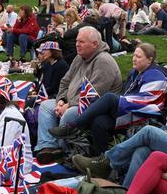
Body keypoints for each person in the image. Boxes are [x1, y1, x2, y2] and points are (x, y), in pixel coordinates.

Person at [52, 43, 167, 155]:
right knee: (99, 121)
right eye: (134, 55)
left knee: (109, 98)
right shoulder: (135, 73)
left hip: (144, 115)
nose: (134, 59)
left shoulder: (156, 75)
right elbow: (126, 94)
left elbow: (148, 101)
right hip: (130, 112)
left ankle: (72, 126)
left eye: (138, 57)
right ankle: (100, 156)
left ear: (149, 60)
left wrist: (122, 101)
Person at [34, 26, 123, 163]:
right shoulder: (79, 58)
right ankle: (49, 147)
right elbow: (65, 81)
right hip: (71, 102)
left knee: (69, 114)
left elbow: (94, 95)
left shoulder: (104, 61)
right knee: (46, 106)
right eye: (77, 41)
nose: (77, 44)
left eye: (81, 42)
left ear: (94, 44)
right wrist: (61, 100)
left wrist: (68, 105)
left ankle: (65, 151)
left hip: (94, 108)